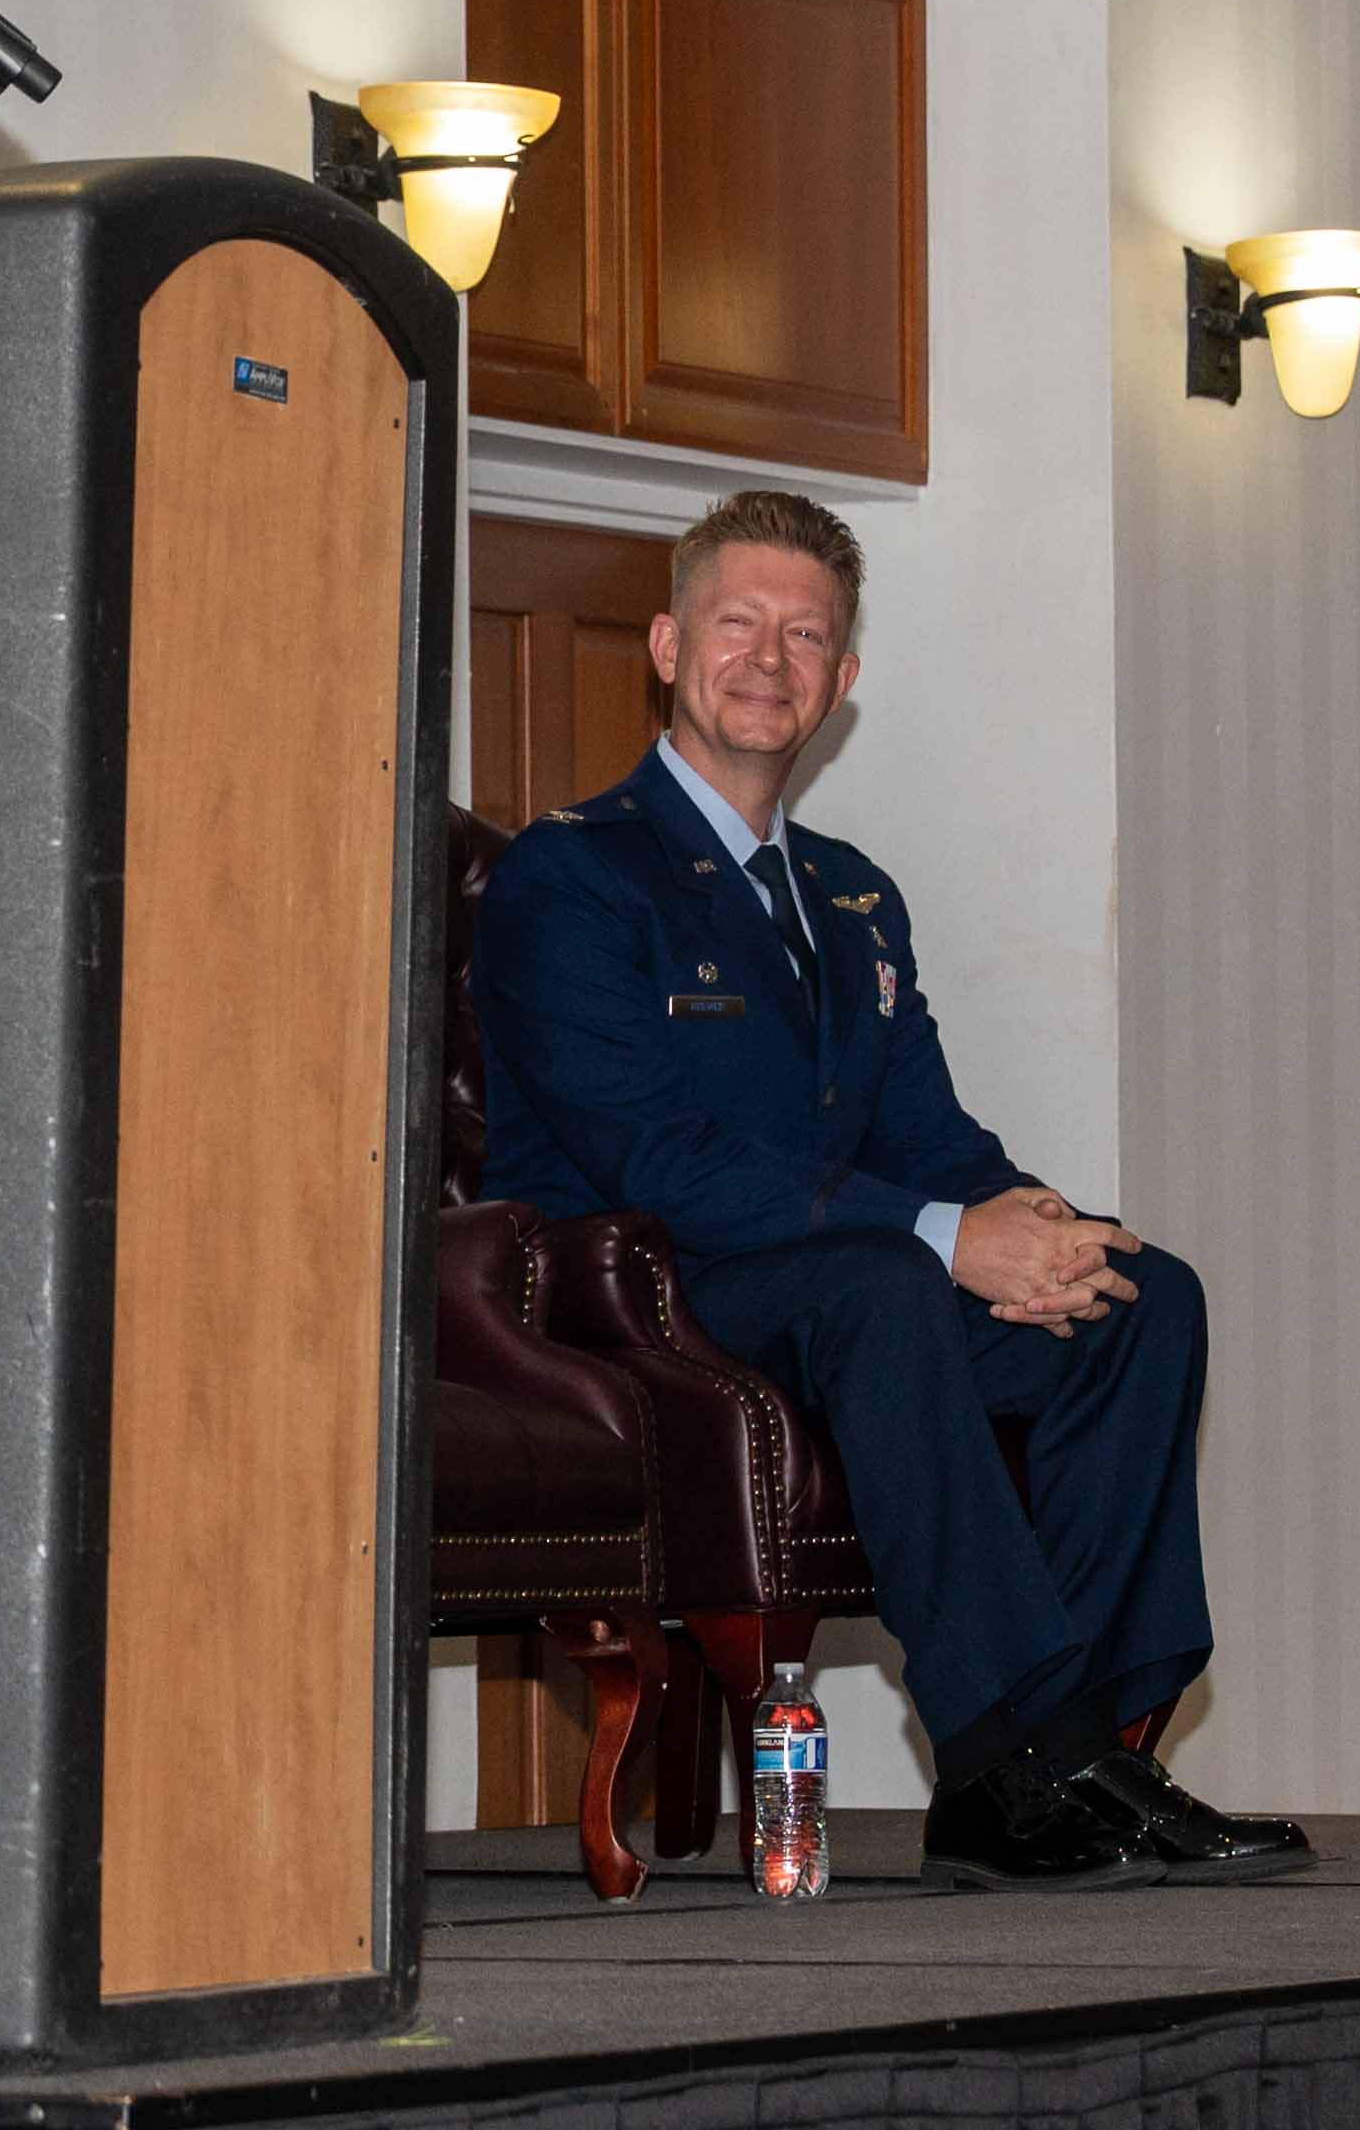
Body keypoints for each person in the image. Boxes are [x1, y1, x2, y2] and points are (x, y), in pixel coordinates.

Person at [470, 490, 1313, 1893]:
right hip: (644, 1289)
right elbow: (656, 1159)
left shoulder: (853, 898)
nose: (771, 659)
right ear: (670, 646)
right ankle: (1020, 1747)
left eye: (808, 636)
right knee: (885, 1283)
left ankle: (1074, 1760)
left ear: (843, 682)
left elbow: (927, 1137)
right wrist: (941, 1236)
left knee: (1139, 1297)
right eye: (739, 623)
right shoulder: (575, 874)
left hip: (817, 1277)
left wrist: (1037, 1230)